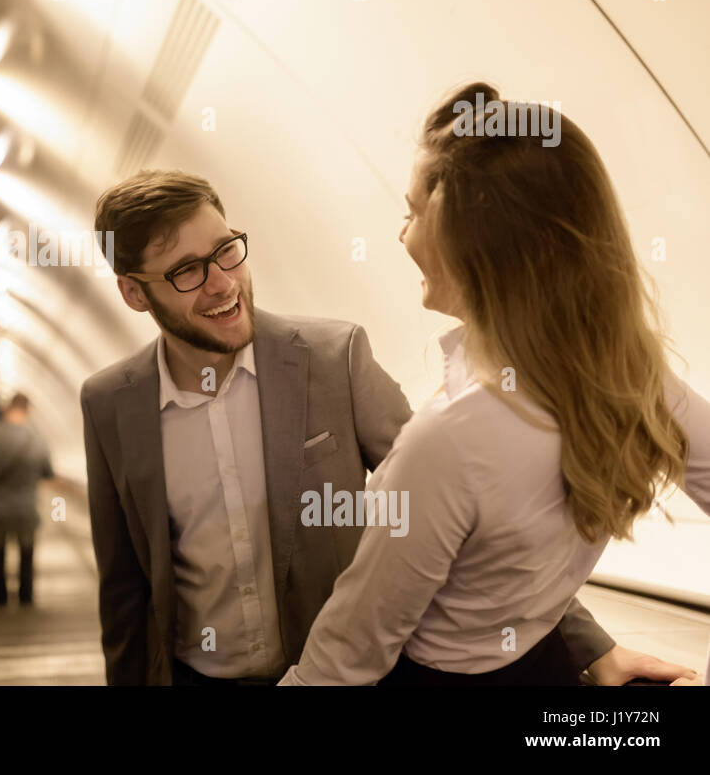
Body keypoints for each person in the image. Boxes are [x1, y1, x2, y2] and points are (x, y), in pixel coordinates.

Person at [82, 167, 692, 686]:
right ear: (135, 294)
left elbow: (478, 520)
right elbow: (125, 595)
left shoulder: (332, 358)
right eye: (187, 271)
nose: (223, 282)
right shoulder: (110, 404)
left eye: (226, 250)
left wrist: (595, 650)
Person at [279, 83, 710, 685]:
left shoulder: (445, 441)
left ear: (466, 240)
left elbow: (342, 661)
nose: (402, 236)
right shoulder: (635, 383)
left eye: (412, 214)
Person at [0, 393, 54, 606]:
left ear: (7, 408)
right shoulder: (37, 438)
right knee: (27, 553)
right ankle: (26, 598)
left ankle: (0, 599)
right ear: (29, 410)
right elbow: (48, 473)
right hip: (26, 508)